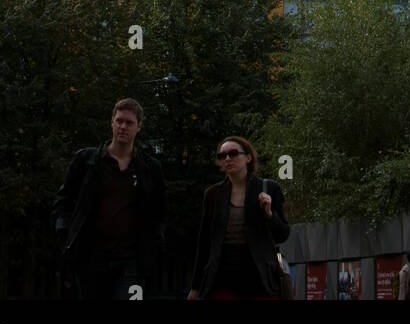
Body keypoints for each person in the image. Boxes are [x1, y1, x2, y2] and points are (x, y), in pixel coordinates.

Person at [51, 97, 166, 300]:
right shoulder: (86, 161)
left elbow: (159, 212)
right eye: (119, 121)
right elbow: (64, 201)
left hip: (132, 263)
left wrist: (153, 247)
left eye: (129, 122)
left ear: (138, 127)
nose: (123, 127)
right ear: (111, 122)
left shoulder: (150, 168)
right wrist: (65, 236)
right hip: (92, 260)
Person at [187, 135, 289, 300]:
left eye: (233, 153)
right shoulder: (213, 194)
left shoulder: (268, 188)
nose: (227, 159)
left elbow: (283, 234)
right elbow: (205, 242)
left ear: (248, 157)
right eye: (222, 156)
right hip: (221, 276)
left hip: (259, 276)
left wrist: (270, 214)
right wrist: (196, 287)